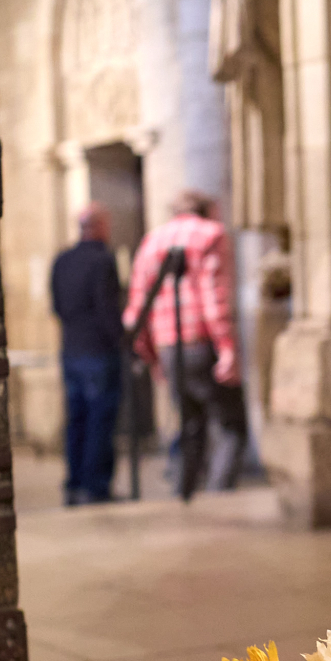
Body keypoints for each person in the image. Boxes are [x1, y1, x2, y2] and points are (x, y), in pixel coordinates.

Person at [124, 190, 249, 499]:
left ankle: (185, 493)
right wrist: (228, 349)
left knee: (190, 425)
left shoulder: (152, 240)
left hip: (168, 346)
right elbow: (213, 297)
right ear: (207, 209)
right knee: (232, 426)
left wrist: (147, 353)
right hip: (202, 342)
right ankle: (219, 497)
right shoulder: (210, 234)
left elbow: (138, 305)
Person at [49, 203, 127, 505]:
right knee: (99, 420)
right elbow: (107, 309)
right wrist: (119, 341)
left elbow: (56, 306)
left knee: (77, 418)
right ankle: (95, 486)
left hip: (70, 350)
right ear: (98, 226)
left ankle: (74, 481)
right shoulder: (102, 261)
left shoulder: (62, 260)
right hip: (98, 352)